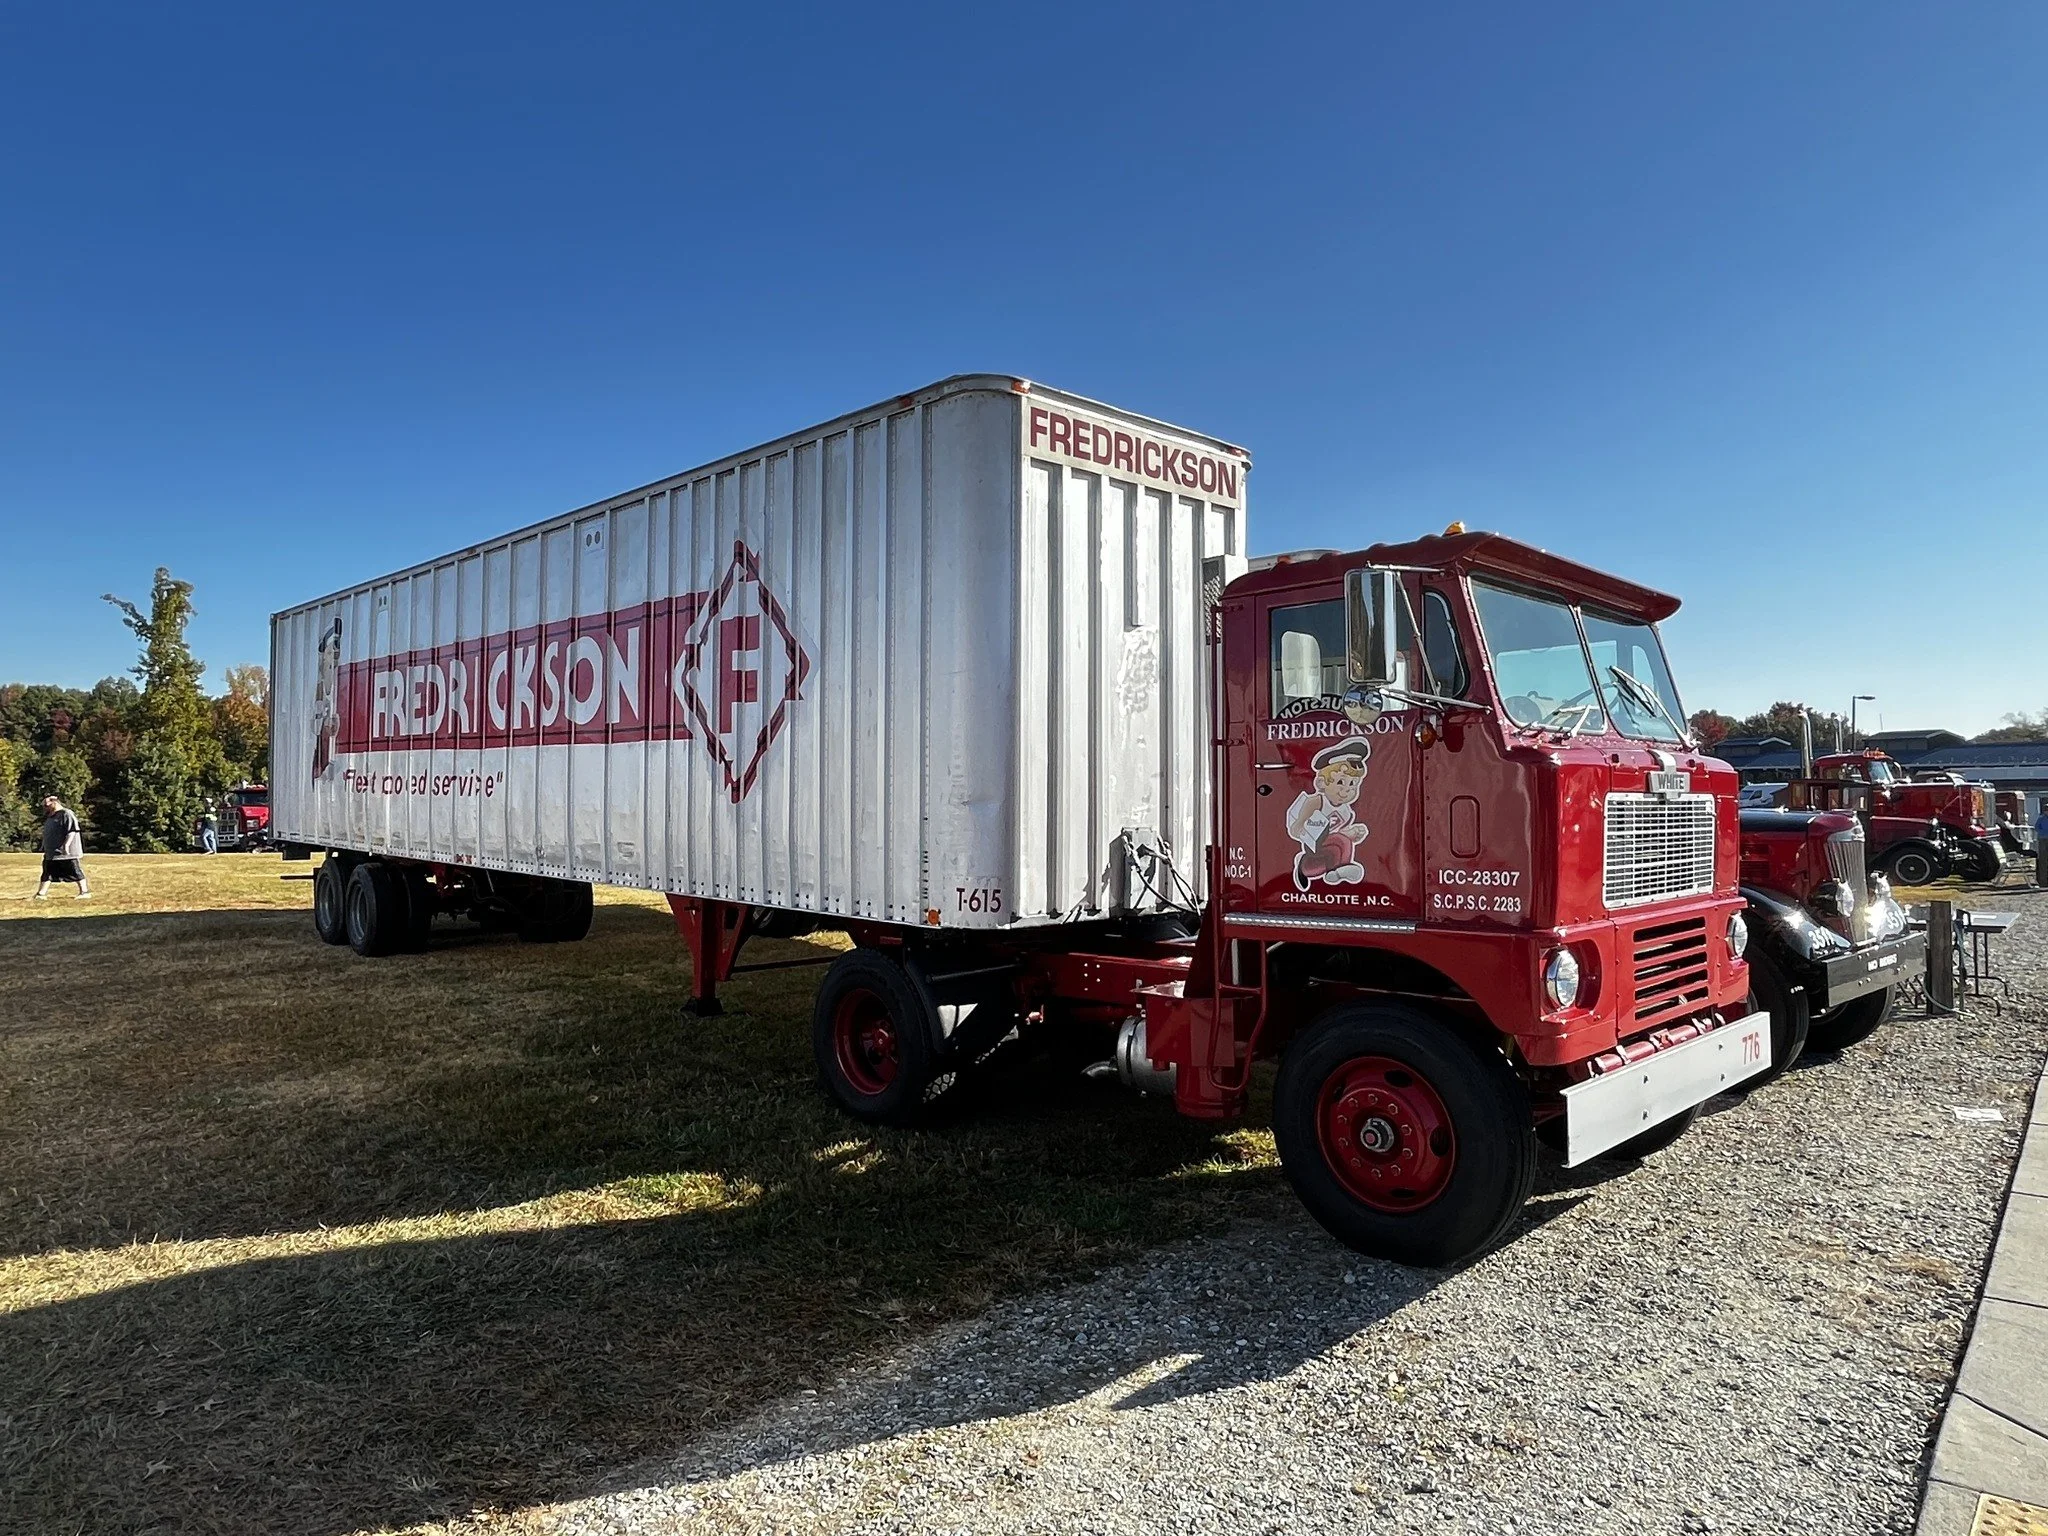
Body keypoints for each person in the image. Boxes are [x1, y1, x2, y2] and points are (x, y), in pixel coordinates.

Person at [33, 795, 90, 900]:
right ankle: (41, 894)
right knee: (47, 871)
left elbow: (72, 830)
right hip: (52, 852)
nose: (45, 808)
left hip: (66, 852)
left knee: (74, 871)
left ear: (54, 803)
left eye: (46, 805)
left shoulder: (66, 814)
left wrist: (66, 845)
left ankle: (84, 892)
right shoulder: (51, 816)